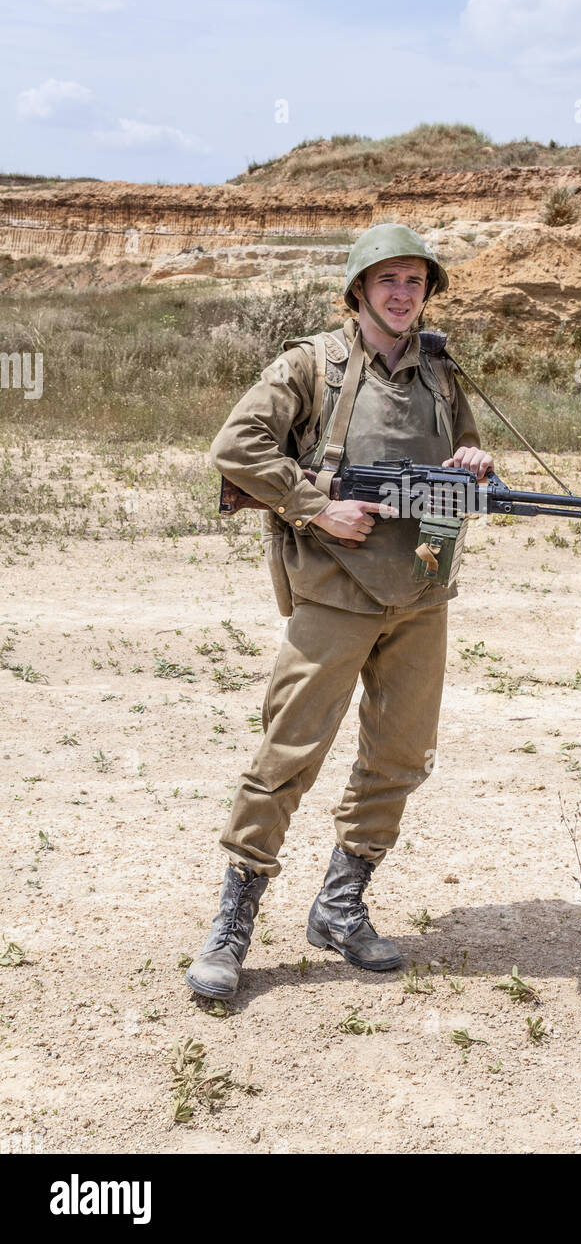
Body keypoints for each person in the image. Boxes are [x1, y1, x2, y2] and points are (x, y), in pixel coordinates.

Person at [186, 223, 494, 999]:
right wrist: (315, 506)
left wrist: (474, 461)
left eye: (415, 282)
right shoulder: (310, 365)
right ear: (358, 291)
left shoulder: (440, 373)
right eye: (388, 280)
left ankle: (341, 903)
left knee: (399, 756)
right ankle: (234, 922)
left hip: (422, 590)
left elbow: (464, 456)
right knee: (289, 753)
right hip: (335, 592)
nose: (402, 294)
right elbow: (235, 445)